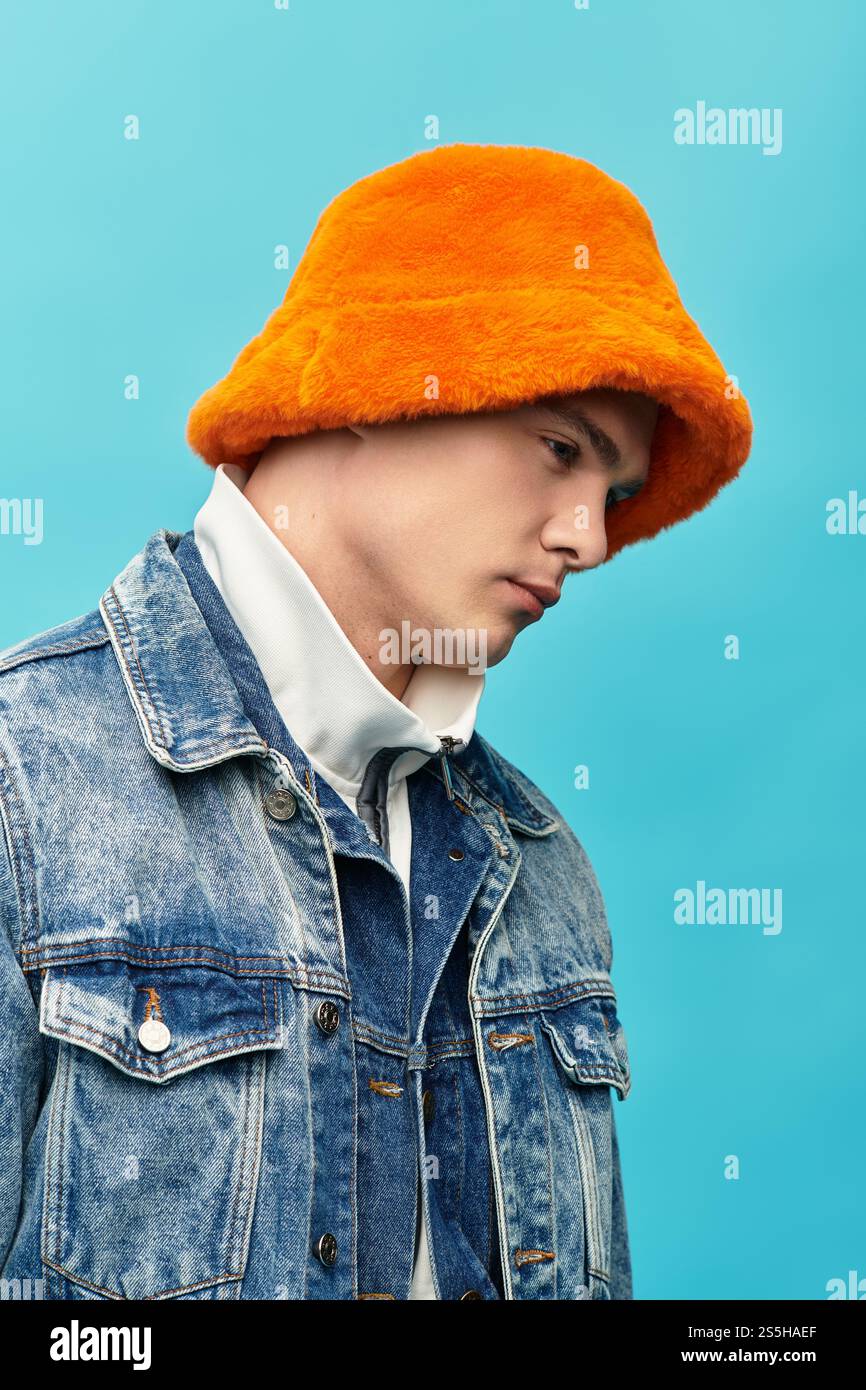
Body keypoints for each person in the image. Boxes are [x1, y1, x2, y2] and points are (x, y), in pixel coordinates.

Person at [0, 142, 752, 1301]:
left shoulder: (540, 868)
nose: (589, 539)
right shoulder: (23, 786)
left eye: (608, 493)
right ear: (369, 391)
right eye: (560, 449)